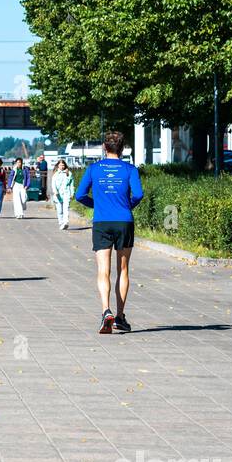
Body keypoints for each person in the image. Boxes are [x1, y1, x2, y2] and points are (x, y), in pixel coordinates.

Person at [74, 130, 144, 333]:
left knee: (103, 271)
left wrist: (95, 205)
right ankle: (120, 316)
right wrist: (127, 205)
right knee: (123, 270)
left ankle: (106, 311)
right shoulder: (130, 169)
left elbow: (79, 195)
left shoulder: (94, 169)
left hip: (102, 222)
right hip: (124, 221)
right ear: (122, 149)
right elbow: (138, 194)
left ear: (105, 148)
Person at [50, 159, 74, 230]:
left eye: (63, 165)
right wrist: (55, 191)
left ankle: (65, 222)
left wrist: (72, 193)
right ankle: (61, 223)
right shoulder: (55, 174)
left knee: (66, 208)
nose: (62, 166)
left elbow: (71, 184)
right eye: (60, 165)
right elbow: (53, 184)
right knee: (60, 210)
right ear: (58, 166)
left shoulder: (69, 173)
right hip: (58, 194)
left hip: (66, 193)